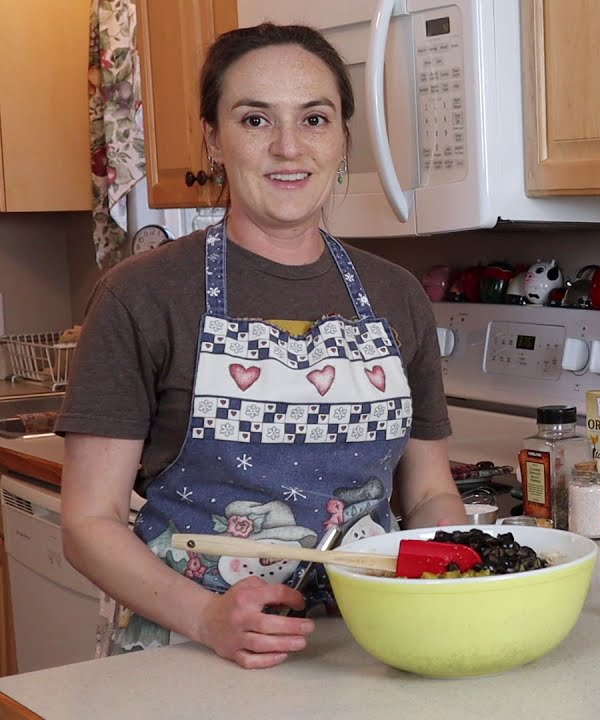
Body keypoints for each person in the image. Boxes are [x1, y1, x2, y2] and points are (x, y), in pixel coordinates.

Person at [57, 23, 466, 669]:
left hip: (364, 647)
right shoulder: (141, 296)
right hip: (190, 650)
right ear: (214, 140)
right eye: (254, 120)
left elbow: (426, 495)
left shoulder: (397, 295)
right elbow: (89, 521)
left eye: (314, 118)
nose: (288, 147)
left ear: (342, 140)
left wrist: (461, 569)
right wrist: (207, 617)